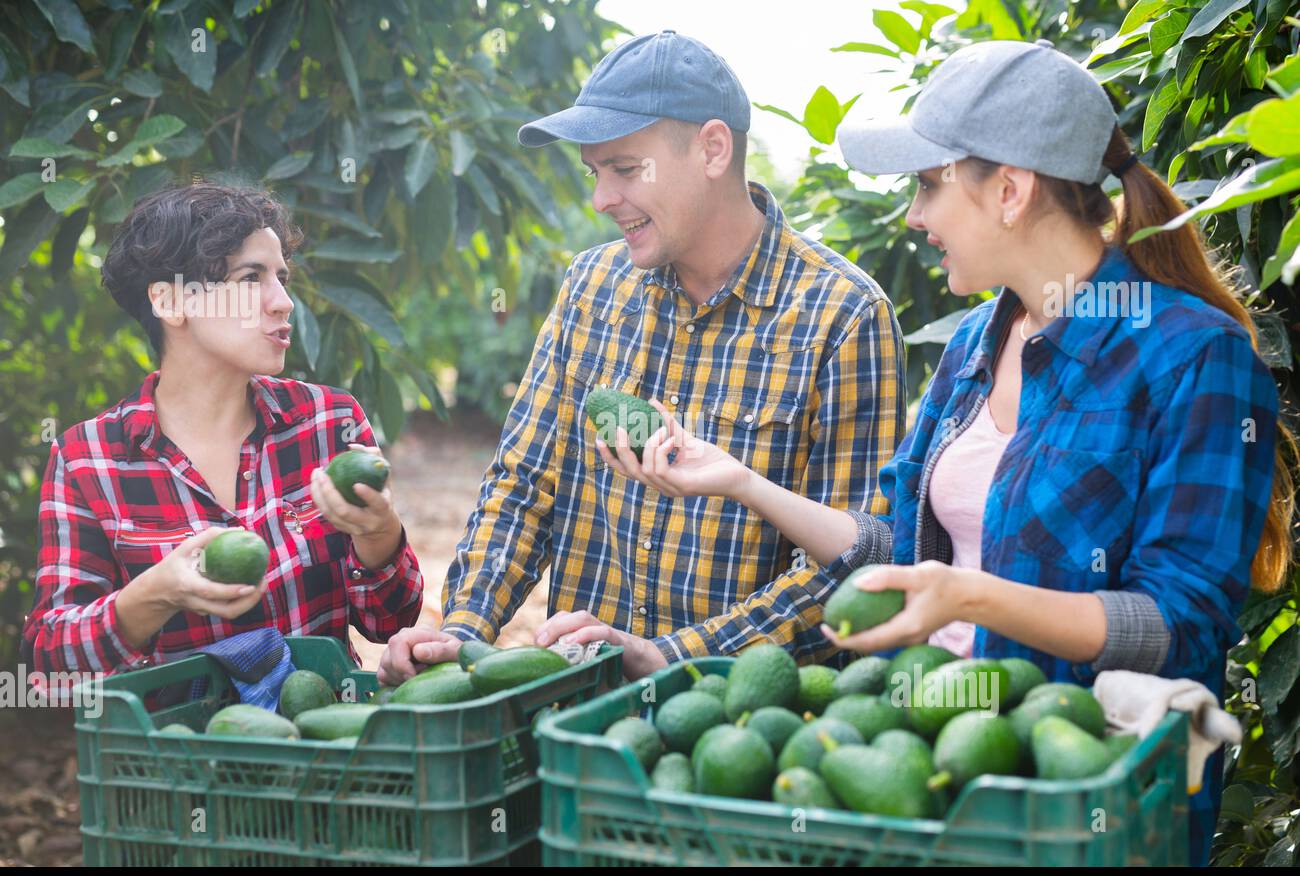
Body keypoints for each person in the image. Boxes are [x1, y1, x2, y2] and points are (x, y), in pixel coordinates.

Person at [595, 39, 1293, 867]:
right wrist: (745, 483)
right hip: (931, 777)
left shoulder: (1193, 359)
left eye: (929, 185)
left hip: (1083, 807)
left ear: (1008, 189)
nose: (915, 216)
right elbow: (902, 550)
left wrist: (972, 598)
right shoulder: (973, 344)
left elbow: (1178, 625)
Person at [378, 31, 904, 684]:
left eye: (625, 170)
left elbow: (850, 564)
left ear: (713, 149)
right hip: (579, 707)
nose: (602, 199)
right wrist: (464, 632)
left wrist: (670, 660)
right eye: (595, 173)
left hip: (731, 728)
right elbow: (523, 488)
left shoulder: (843, 315)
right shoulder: (591, 289)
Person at [22, 183, 423, 680]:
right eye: (251, 277)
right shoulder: (88, 460)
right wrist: (151, 596)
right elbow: (51, 668)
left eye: (282, 277)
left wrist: (380, 533)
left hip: (323, 739)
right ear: (170, 302)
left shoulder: (329, 422)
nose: (284, 303)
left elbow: (391, 619)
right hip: (173, 753)